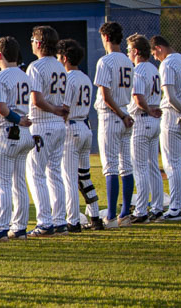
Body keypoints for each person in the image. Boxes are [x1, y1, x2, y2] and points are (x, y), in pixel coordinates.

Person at [0, 36, 34, 242]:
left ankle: (1, 228)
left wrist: (17, 119)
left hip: (7, 131)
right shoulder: (25, 76)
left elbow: (2, 108)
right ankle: (20, 226)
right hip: (23, 134)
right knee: (19, 183)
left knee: (3, 184)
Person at [24, 25, 70, 237]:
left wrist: (53, 110)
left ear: (40, 43)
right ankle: (60, 220)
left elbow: (37, 100)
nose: (31, 43)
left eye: (33, 40)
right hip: (58, 125)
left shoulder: (35, 66)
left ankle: (44, 221)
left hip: (42, 123)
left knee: (36, 174)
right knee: (54, 173)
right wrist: (58, 111)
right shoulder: (60, 66)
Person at [152, 35, 181, 221]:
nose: (155, 57)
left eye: (154, 52)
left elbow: (170, 97)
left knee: (171, 164)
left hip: (174, 115)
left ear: (159, 48)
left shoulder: (168, 63)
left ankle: (175, 208)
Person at [57, 39, 102, 231]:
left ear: (65, 58)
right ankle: (96, 216)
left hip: (72, 128)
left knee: (70, 178)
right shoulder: (84, 77)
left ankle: (73, 221)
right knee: (84, 177)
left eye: (59, 57)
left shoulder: (68, 78)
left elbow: (65, 108)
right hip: (85, 126)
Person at [94, 22, 135, 228]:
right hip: (125, 113)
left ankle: (110, 216)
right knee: (125, 165)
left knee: (110, 167)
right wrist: (124, 114)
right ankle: (125, 214)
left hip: (111, 115)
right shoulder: (128, 61)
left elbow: (106, 95)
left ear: (107, 38)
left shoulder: (105, 61)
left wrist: (119, 113)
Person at [125, 34, 162, 223]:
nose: (128, 53)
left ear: (136, 51)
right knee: (153, 166)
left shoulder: (137, 70)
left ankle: (141, 211)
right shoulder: (154, 69)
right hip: (154, 121)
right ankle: (157, 207)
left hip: (142, 119)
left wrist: (148, 109)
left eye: (129, 49)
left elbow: (139, 99)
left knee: (140, 168)